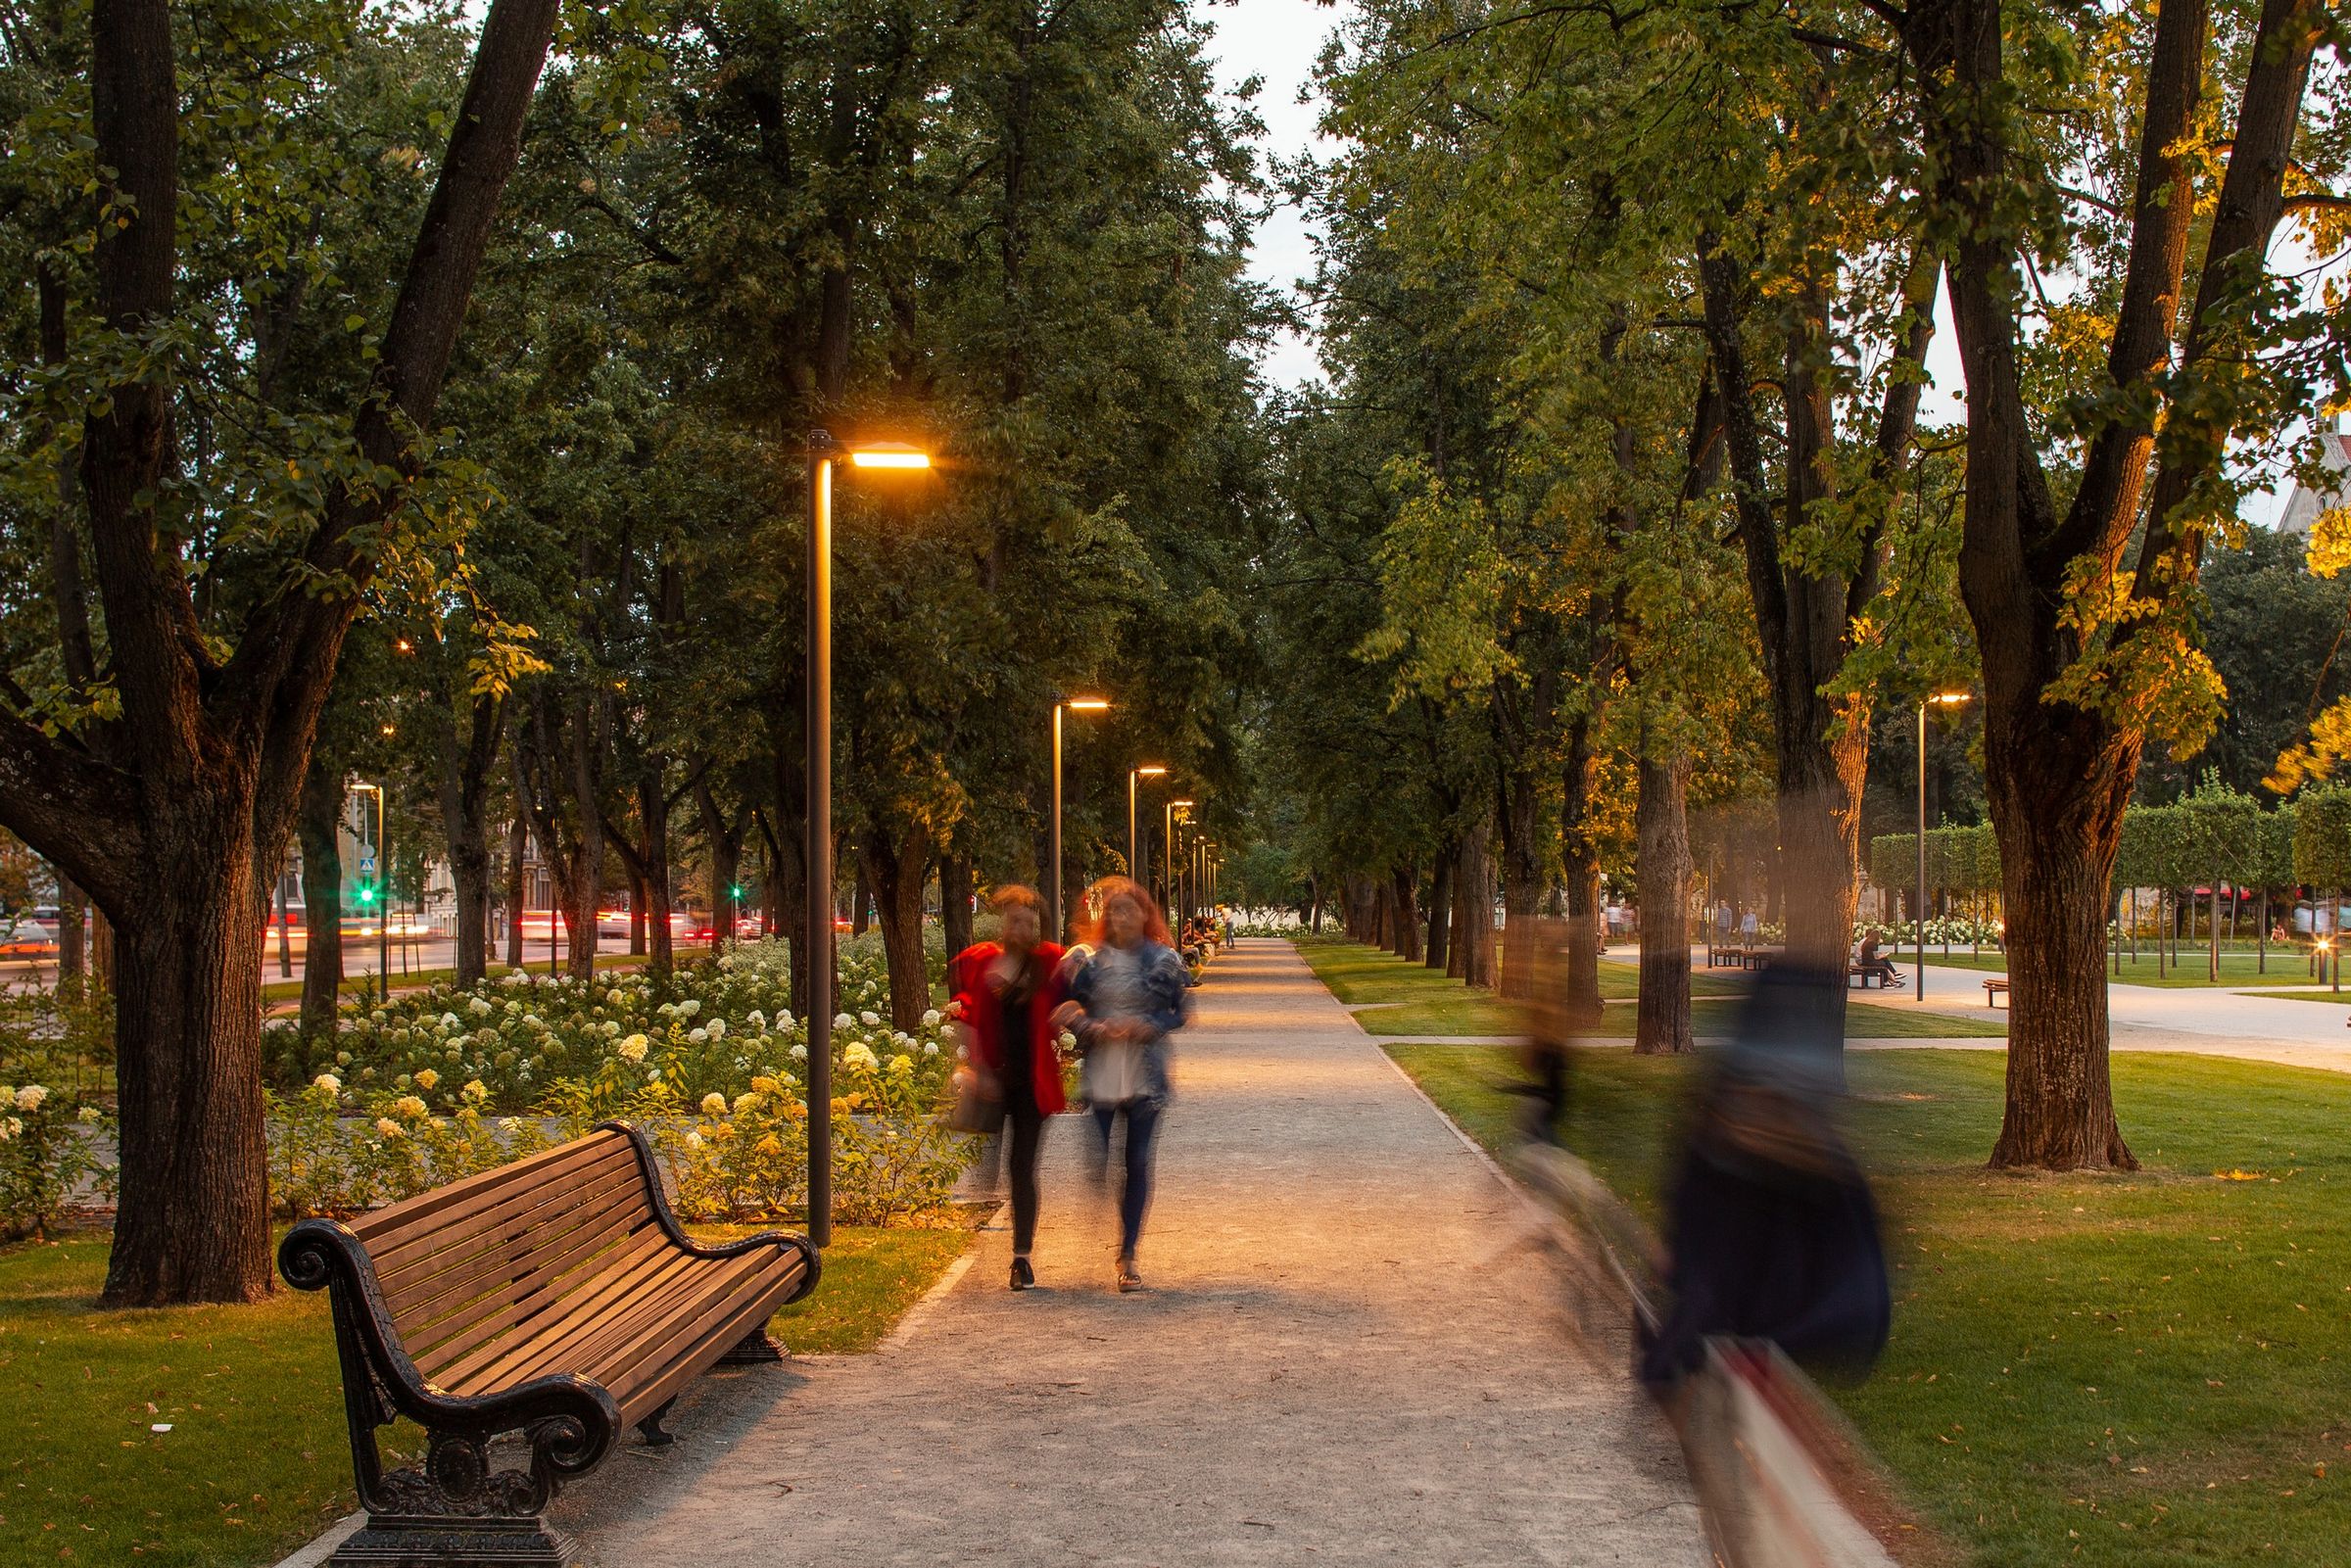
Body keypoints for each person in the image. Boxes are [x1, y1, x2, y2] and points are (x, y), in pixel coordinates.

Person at [1063, 876, 1189, 1292]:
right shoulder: (1092, 962)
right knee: (1099, 1159)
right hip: (1102, 1070)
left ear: (1144, 914)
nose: (1122, 917)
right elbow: (1071, 1008)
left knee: (1135, 1162)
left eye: (1130, 909)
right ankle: (1119, 1232)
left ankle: (1129, 1252)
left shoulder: (1164, 959)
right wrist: (1089, 1025)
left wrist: (1145, 1025)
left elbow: (1180, 1012)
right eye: (1115, 910)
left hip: (1144, 1076)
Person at [948, 885, 1068, 1291]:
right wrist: (971, 1063)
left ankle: (1022, 1258)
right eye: (1015, 920)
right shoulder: (984, 963)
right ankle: (979, 1227)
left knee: (1022, 1170)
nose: (1022, 927)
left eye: (1028, 922)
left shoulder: (1047, 962)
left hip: (1032, 1086)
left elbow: (1078, 973)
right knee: (987, 1168)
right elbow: (969, 1016)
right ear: (1004, 922)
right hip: (993, 1084)